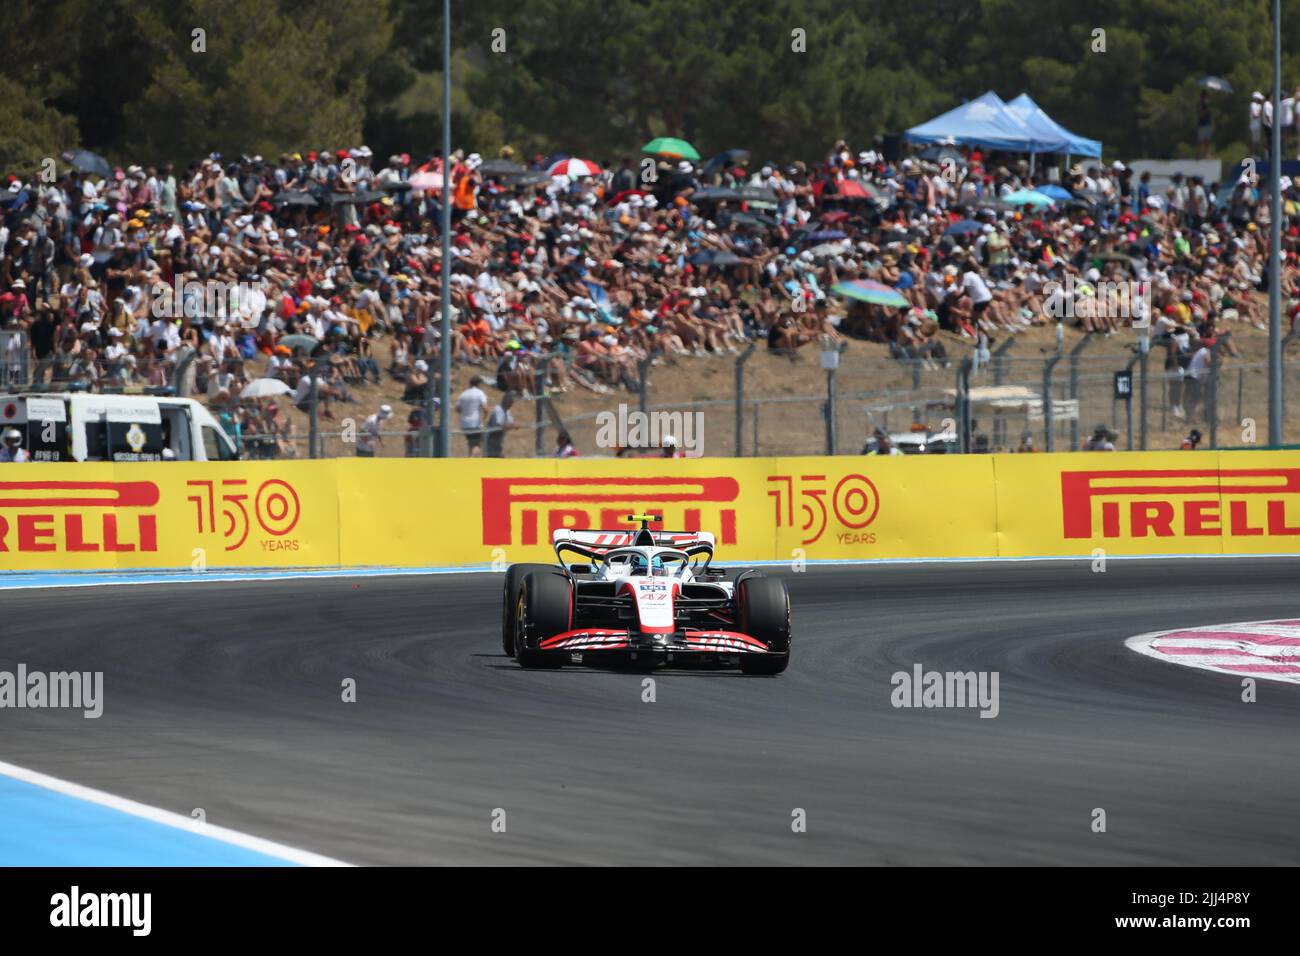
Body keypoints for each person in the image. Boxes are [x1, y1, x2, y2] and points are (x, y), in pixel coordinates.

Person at [456, 374, 490, 456]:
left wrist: (466, 412)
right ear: (478, 384)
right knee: (478, 444)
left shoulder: (463, 394)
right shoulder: (480, 393)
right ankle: (470, 460)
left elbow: (457, 409)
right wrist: (485, 418)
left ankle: (471, 460)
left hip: (464, 424)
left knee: (472, 443)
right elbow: (485, 408)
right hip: (475, 423)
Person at [483, 391, 518, 458]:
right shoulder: (498, 410)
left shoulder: (507, 411)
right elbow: (499, 425)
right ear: (505, 400)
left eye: (512, 402)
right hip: (490, 440)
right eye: (511, 401)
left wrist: (514, 425)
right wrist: (512, 425)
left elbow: (511, 422)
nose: (512, 404)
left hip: (498, 442)